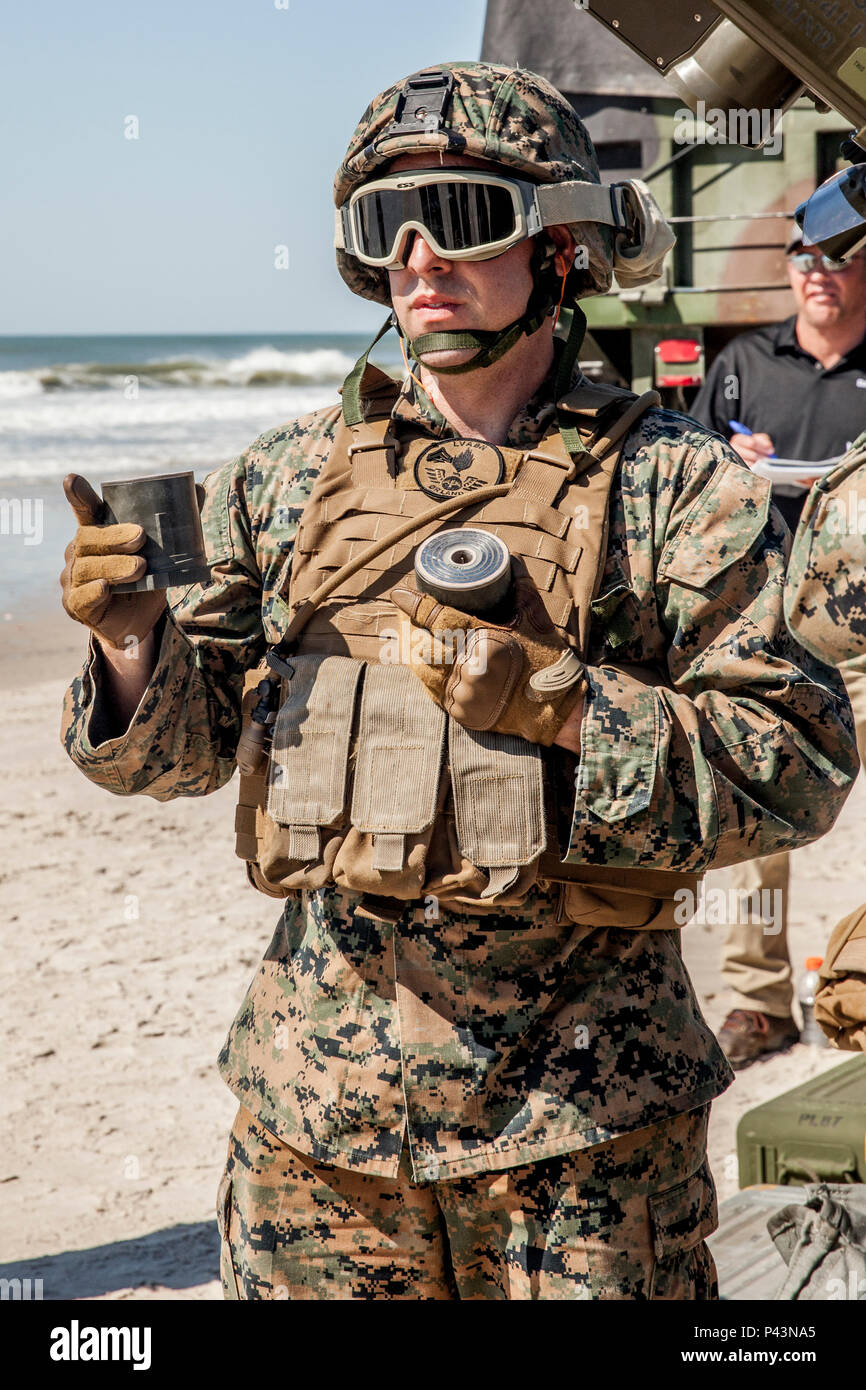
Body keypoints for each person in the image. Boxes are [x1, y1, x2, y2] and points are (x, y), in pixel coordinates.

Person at [59, 62, 856, 1301]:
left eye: (466, 215)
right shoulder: (282, 481)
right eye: (388, 224)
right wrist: (130, 646)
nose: (421, 256)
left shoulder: (677, 488)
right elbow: (178, 753)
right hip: (317, 1131)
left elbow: (793, 767)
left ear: (558, 248)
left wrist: (567, 710)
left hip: (583, 1144)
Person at [689, 230, 866, 1068]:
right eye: (805, 258)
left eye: (837, 258)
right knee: (754, 817)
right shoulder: (741, 363)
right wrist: (732, 462)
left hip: (863, 631)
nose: (819, 274)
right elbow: (687, 471)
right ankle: (761, 1006)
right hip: (770, 626)